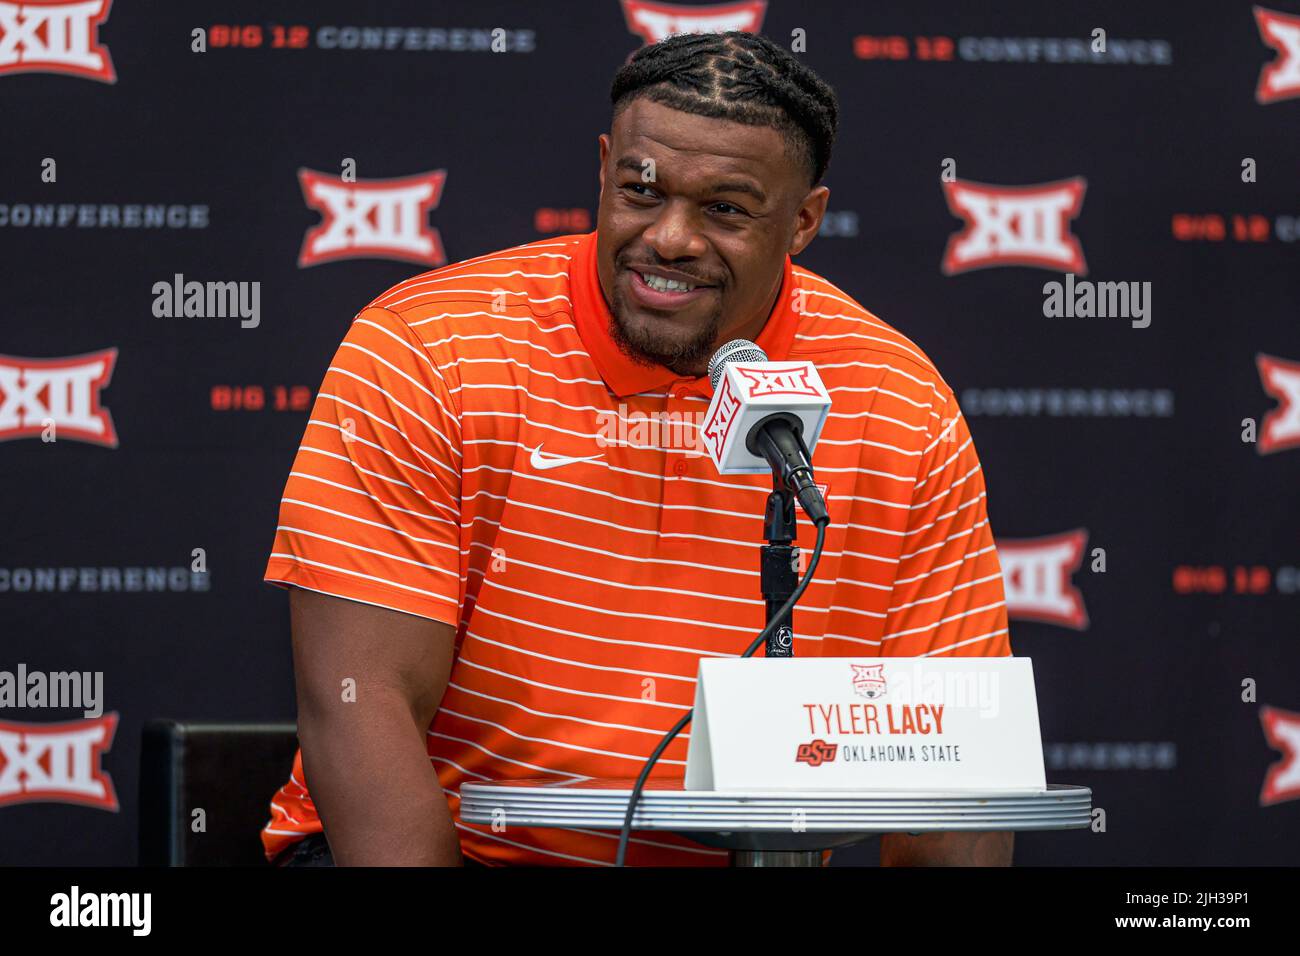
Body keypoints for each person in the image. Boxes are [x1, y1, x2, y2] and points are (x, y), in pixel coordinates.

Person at [261, 30, 1013, 867]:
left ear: (802, 221)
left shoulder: (897, 401)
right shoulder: (427, 348)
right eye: (642, 191)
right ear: (605, 168)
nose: (670, 238)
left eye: (725, 209)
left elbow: (957, 768)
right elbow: (360, 704)